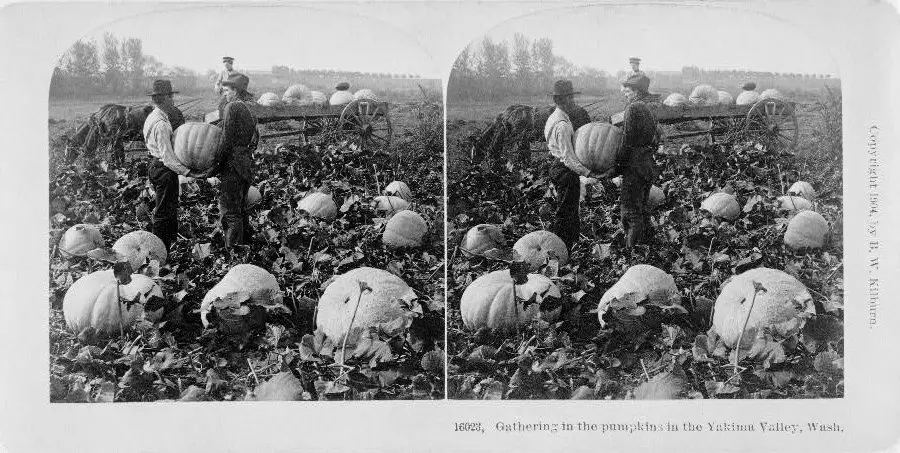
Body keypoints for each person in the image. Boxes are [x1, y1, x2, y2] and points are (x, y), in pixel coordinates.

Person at [142, 80, 202, 252]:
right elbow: (168, 158)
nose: (174, 101)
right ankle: (158, 250)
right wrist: (189, 172)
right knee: (163, 212)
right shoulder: (160, 124)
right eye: (171, 97)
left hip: (159, 167)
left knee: (169, 208)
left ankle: (170, 245)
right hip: (163, 169)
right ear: (165, 98)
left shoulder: (155, 116)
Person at [543, 80, 602, 249]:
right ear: (564, 100)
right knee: (565, 210)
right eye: (571, 98)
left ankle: (572, 243)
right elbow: (568, 158)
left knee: (571, 207)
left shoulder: (555, 117)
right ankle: (559, 247)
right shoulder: (561, 125)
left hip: (561, 167)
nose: (574, 102)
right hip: (564, 170)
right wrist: (589, 173)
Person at [211, 72, 259, 253]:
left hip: (232, 165)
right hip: (245, 163)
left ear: (236, 91)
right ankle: (245, 248)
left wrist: (215, 163)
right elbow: (254, 139)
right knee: (240, 208)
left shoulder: (232, 108)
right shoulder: (249, 109)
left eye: (227, 91)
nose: (224, 94)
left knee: (230, 213)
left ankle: (233, 253)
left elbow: (226, 139)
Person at [612, 73, 660, 250]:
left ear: (637, 91)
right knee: (641, 208)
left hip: (634, 166)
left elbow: (627, 141)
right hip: (646, 164)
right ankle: (648, 246)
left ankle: (631, 252)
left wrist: (617, 165)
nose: (625, 92)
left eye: (629, 89)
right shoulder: (649, 108)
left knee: (630, 213)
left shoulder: (633, 109)